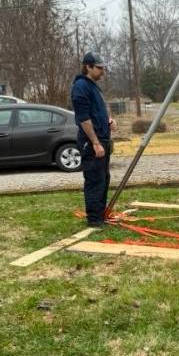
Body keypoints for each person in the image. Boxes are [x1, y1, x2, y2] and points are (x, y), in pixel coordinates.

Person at [71, 51, 115, 228]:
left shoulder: (93, 86)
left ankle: (101, 214)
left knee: (103, 179)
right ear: (88, 67)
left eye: (103, 68)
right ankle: (94, 219)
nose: (102, 72)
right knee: (95, 180)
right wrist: (95, 143)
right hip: (91, 143)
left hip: (102, 138)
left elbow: (97, 112)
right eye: (99, 68)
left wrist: (108, 120)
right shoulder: (81, 86)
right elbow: (84, 118)